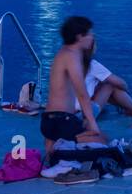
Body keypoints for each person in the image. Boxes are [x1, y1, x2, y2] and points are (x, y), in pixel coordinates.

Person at [41, 16, 105, 157]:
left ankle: (55, 150)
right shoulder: (71, 57)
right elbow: (82, 94)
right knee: (103, 141)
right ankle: (62, 150)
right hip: (61, 121)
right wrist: (93, 124)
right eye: (90, 34)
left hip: (49, 120)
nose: (92, 38)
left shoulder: (63, 53)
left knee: (62, 145)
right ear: (79, 36)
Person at [82, 40, 132, 117]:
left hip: (68, 110)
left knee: (99, 86)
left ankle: (128, 108)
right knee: (110, 85)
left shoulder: (71, 63)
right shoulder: (91, 64)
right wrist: (127, 92)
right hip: (84, 114)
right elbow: (121, 83)